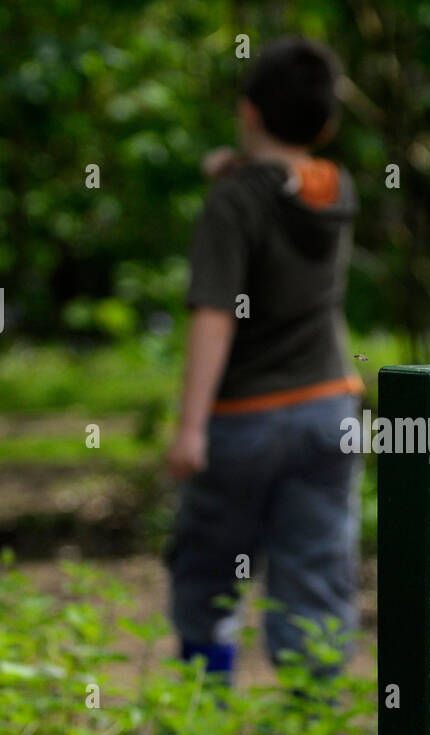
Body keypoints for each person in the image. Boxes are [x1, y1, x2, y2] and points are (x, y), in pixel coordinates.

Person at [164, 35, 361, 685]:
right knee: (317, 572)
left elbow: (215, 315)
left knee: (210, 575)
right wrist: (233, 169)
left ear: (248, 113)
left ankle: (202, 719)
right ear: (327, 125)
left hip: (244, 417)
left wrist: (190, 428)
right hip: (330, 407)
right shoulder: (337, 193)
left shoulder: (231, 203)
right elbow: (284, 183)